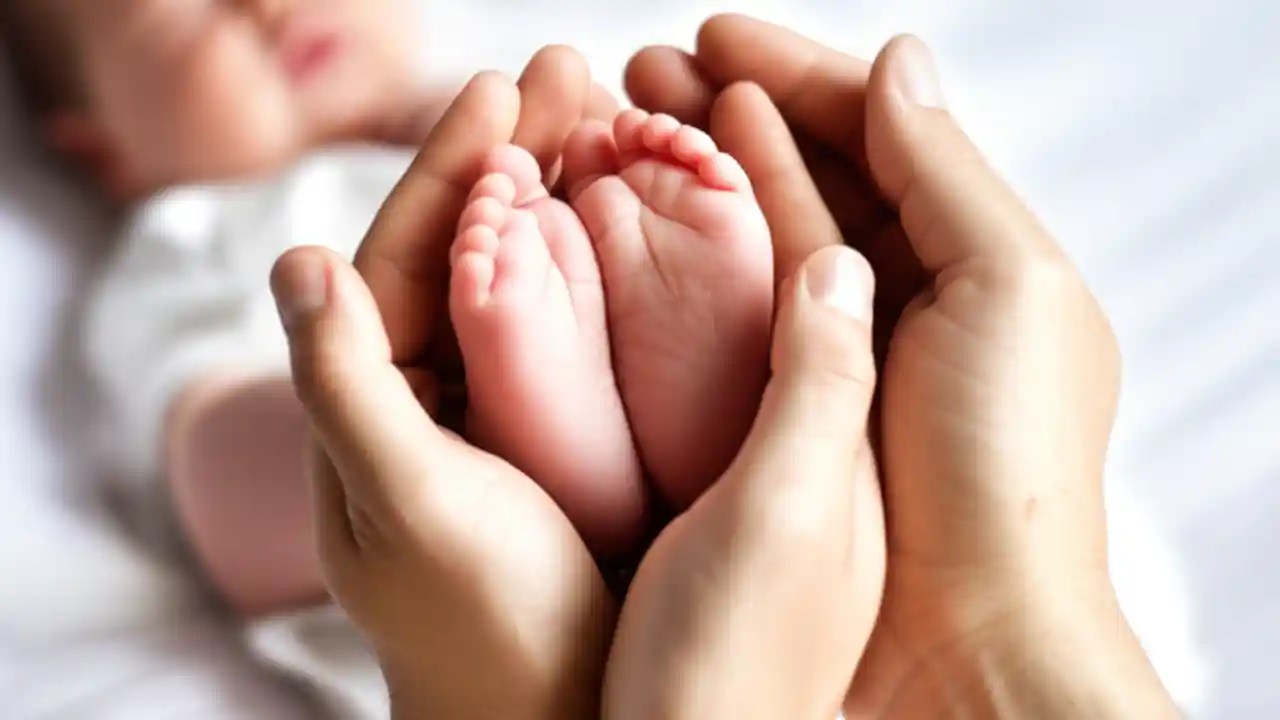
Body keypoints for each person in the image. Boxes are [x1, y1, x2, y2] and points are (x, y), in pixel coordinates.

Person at [271, 14, 1182, 719]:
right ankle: (619, 454)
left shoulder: (512, 118)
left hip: (644, 646)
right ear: (119, 149)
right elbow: (190, 456)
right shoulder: (185, 234)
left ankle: (613, 460)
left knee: (359, 418)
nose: (253, 5)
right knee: (282, 452)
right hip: (839, 642)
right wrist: (326, 410)